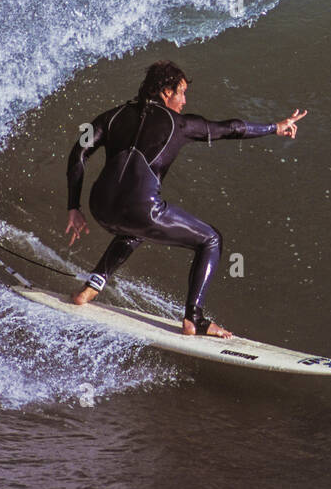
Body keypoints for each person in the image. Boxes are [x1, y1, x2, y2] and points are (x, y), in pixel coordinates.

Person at [64, 61, 306, 338]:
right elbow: (231, 128)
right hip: (143, 211)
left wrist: (74, 206)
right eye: (181, 92)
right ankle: (194, 319)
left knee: (132, 231)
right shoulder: (180, 124)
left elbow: (78, 154)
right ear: (166, 92)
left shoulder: (112, 116)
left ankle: (91, 287)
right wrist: (274, 127)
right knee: (211, 239)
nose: (184, 100)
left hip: (100, 208)